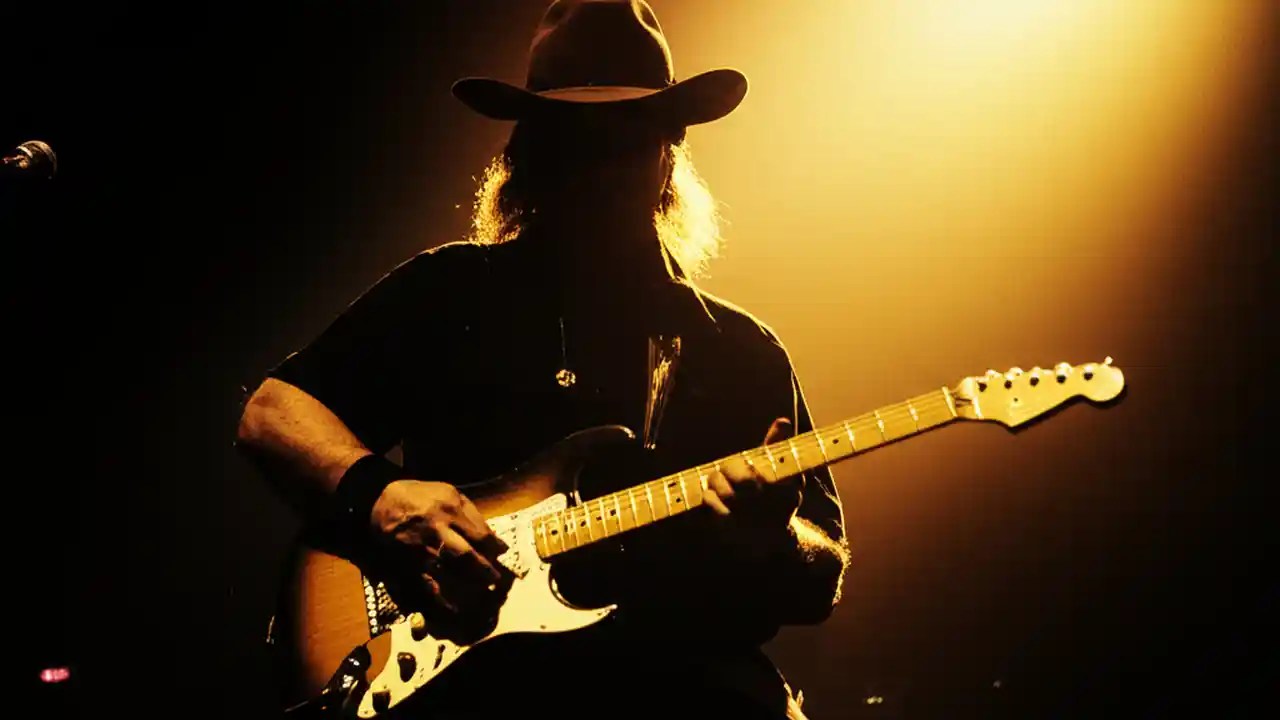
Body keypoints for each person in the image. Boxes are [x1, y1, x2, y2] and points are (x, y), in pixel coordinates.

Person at [236, 2, 849, 718]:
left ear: (669, 149)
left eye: (624, 137)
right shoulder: (450, 290)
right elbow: (272, 414)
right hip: (475, 689)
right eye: (572, 140)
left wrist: (775, 536)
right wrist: (382, 497)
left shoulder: (742, 351)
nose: (598, 165)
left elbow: (823, 576)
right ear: (528, 151)